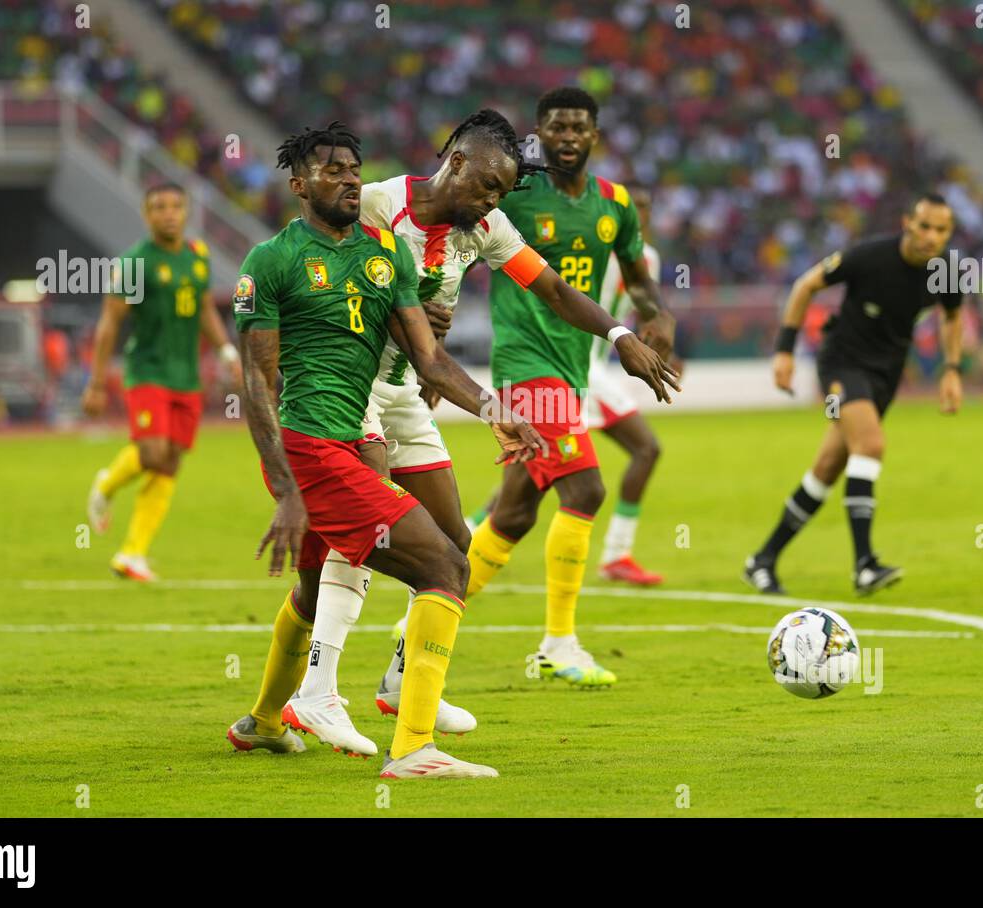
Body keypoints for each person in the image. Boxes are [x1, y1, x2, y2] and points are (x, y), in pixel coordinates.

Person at [277, 108, 679, 754]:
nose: (491, 201)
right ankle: (315, 691)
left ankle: (401, 680)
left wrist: (619, 332)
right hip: (350, 388)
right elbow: (328, 290)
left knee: (455, 546)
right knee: (365, 526)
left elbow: (551, 288)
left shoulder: (484, 227)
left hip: (408, 389)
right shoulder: (380, 206)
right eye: (486, 185)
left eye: (501, 192)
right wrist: (405, 321)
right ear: (455, 162)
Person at [225, 122, 546, 779]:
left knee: (316, 590)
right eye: (332, 170)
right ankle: (412, 748)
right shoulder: (271, 261)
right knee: (445, 568)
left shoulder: (385, 255)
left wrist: (495, 411)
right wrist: (287, 488)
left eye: (353, 167)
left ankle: (263, 721)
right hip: (314, 448)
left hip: (364, 434)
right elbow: (255, 383)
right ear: (299, 185)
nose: (347, 177)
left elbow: (430, 361)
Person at [464, 87, 678, 687]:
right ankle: (558, 643)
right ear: (539, 131)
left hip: (576, 368)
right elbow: (457, 244)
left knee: (513, 515)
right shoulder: (515, 193)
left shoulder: (615, 203)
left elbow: (638, 276)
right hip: (524, 360)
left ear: (594, 135)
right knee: (585, 488)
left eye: (578, 126)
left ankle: (420, 625)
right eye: (556, 126)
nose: (567, 136)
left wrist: (657, 315)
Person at [745, 193, 964, 596]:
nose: (931, 236)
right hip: (841, 366)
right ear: (907, 223)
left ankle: (763, 559)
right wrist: (784, 351)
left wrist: (951, 370)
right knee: (871, 444)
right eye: (925, 226)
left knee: (828, 467)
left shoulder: (948, 270)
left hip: (886, 375)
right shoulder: (870, 256)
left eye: (941, 230)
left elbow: (952, 315)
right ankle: (864, 564)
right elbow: (806, 284)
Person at [83, 183, 242, 581]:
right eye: (159, 207)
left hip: (186, 375)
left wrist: (226, 351)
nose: (168, 213)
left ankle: (132, 554)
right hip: (148, 371)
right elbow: (109, 324)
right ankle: (107, 483)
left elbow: (205, 307)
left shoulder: (198, 255)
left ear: (186, 211)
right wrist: (98, 382)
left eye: (175, 206)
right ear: (146, 214)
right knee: (153, 453)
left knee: (170, 461)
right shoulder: (135, 263)